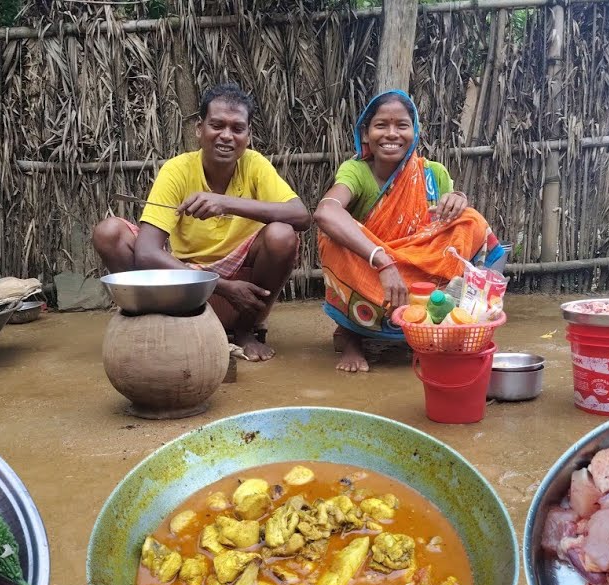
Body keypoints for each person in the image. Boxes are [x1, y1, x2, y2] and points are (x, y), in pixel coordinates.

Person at [92, 83, 311, 361]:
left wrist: (226, 203)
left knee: (282, 235)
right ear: (199, 129)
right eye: (217, 125)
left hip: (245, 285)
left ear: (248, 135)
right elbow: (147, 251)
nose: (226, 136)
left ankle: (245, 331)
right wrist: (221, 286)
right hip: (186, 280)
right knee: (108, 232)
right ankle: (151, 324)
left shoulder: (254, 165)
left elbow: (302, 216)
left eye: (237, 128)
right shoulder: (177, 170)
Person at [314, 90, 500, 372]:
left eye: (401, 125)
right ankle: (352, 335)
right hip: (374, 271)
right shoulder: (356, 172)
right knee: (333, 236)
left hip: (419, 273)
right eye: (381, 125)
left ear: (414, 132)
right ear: (366, 134)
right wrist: (382, 260)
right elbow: (326, 211)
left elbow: (446, 231)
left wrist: (458, 201)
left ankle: (447, 324)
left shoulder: (432, 173)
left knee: (472, 221)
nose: (391, 134)